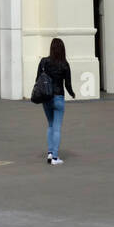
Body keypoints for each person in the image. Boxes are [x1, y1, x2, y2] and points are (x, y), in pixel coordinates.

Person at [37, 37, 75, 165]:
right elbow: (68, 84)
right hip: (59, 97)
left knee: (50, 125)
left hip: (46, 97)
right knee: (57, 128)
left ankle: (49, 152)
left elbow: (38, 79)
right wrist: (72, 93)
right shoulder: (65, 64)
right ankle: (55, 157)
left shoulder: (44, 62)